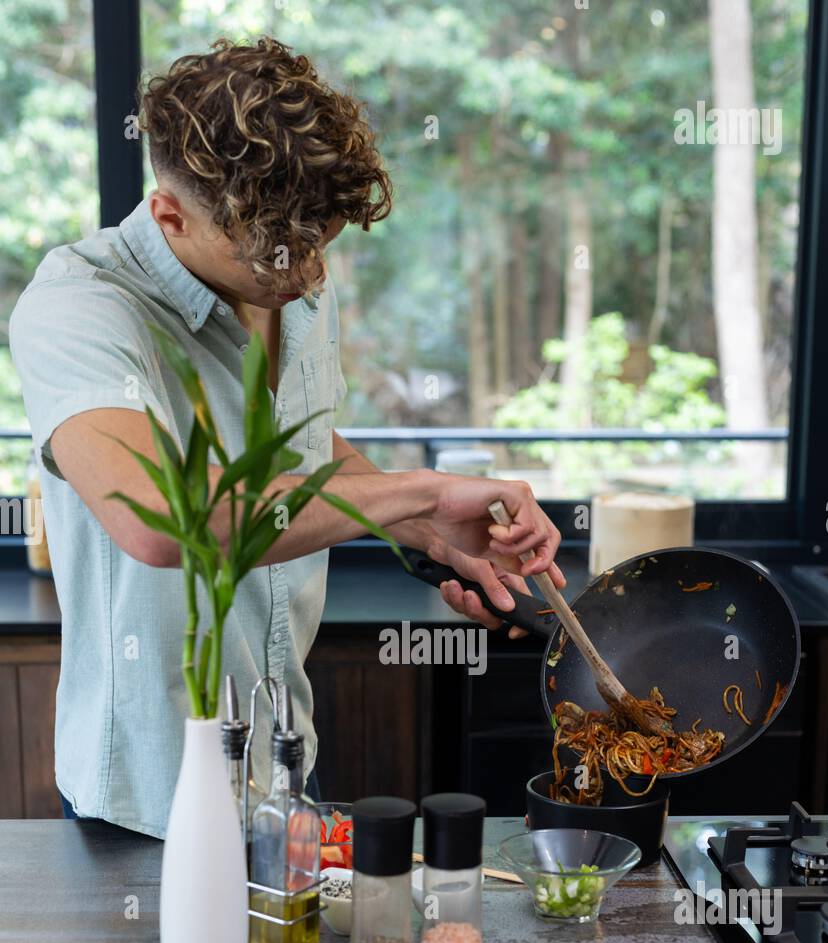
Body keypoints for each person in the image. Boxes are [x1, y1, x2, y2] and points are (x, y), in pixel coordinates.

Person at [10, 37, 563, 838]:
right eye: (277, 254)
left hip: (284, 757)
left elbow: (301, 448)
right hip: (148, 795)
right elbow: (167, 520)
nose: (305, 276)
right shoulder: (80, 308)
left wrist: (429, 534)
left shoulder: (290, 271)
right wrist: (426, 490)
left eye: (320, 245)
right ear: (170, 214)